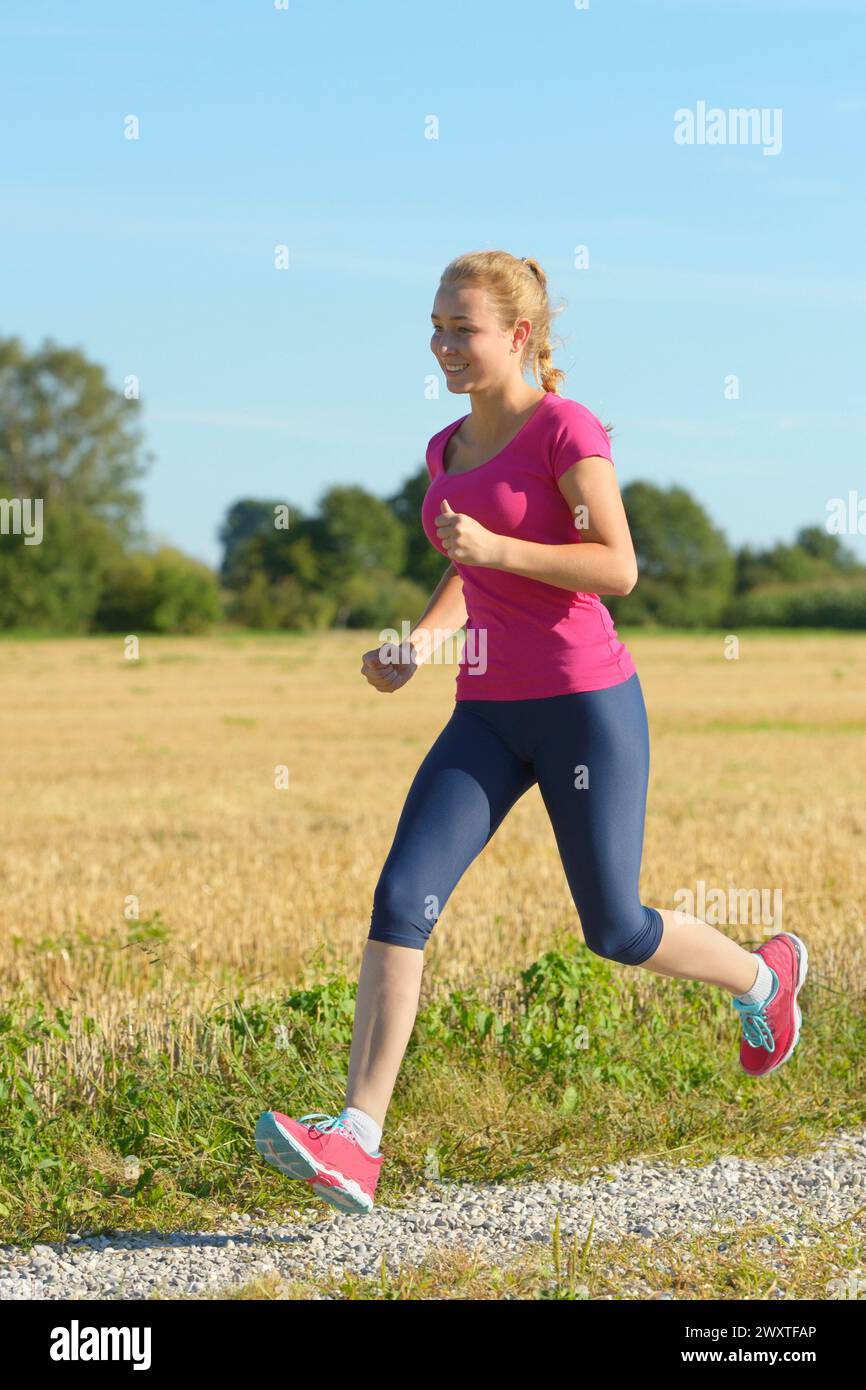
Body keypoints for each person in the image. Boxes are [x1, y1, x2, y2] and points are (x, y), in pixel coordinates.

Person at [255, 249, 808, 1215]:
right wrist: (419, 645)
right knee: (401, 897)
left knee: (614, 927)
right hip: (483, 713)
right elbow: (468, 576)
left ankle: (763, 980)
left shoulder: (566, 428)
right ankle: (359, 1139)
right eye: (435, 326)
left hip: (585, 707)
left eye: (461, 328)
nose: (443, 345)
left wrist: (500, 544)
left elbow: (618, 566)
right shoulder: (446, 449)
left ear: (518, 335)